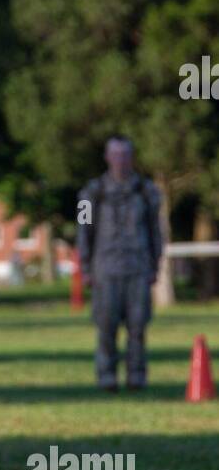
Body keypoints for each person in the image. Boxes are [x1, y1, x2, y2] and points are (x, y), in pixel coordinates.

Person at [77, 135, 163, 391]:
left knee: (138, 326)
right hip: (105, 269)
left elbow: (156, 231)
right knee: (106, 326)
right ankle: (107, 376)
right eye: (115, 155)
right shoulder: (90, 193)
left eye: (125, 155)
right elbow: (83, 229)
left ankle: (137, 376)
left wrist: (155, 264)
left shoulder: (148, 192)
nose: (120, 160)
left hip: (137, 267)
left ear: (132, 158)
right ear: (107, 157)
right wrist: (84, 266)